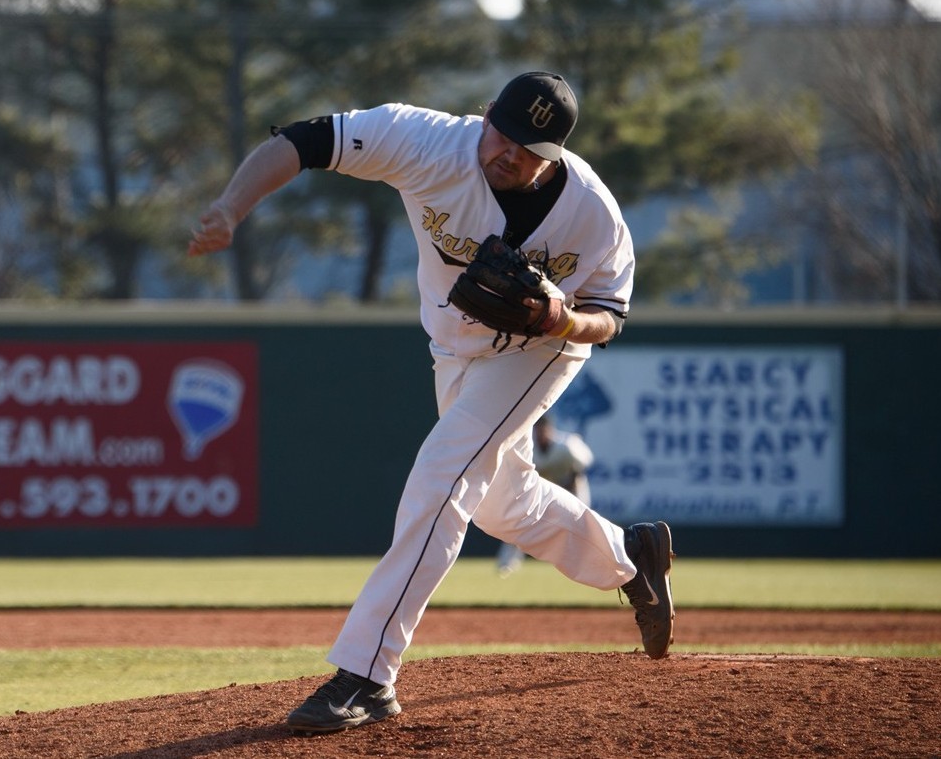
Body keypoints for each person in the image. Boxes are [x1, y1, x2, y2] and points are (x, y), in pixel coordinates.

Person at [188, 71, 674, 735]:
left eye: (529, 149)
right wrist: (230, 206)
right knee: (503, 504)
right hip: (454, 350)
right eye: (503, 134)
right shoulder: (422, 141)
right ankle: (629, 556)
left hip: (538, 351)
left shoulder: (591, 212)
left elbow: (609, 316)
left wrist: (563, 319)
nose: (508, 153)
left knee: (442, 476)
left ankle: (367, 673)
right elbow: (302, 142)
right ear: (485, 114)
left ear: (555, 155)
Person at [496, 415, 594, 576]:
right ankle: (507, 564)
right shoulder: (529, 448)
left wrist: (570, 483)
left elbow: (584, 463)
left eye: (544, 430)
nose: (541, 433)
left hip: (571, 490)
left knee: (582, 526)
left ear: (551, 430)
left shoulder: (567, 445)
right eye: (538, 430)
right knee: (518, 521)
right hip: (544, 490)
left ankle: (587, 564)